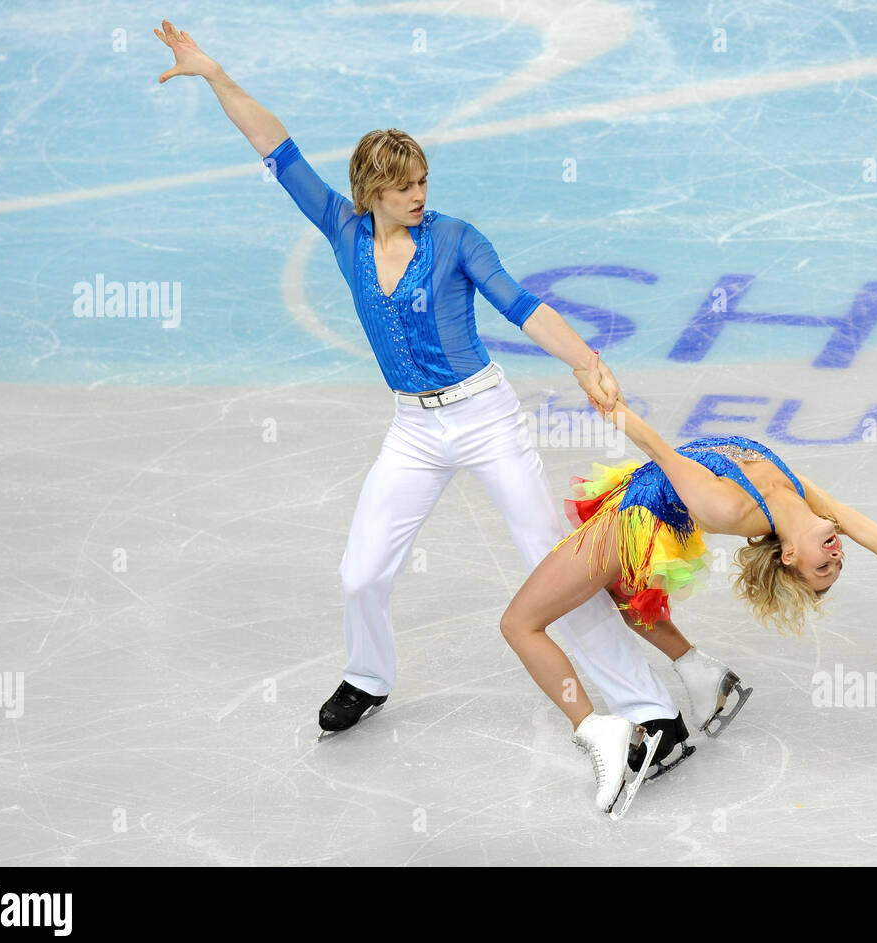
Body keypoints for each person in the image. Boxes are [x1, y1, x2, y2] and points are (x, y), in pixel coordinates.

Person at [152, 21, 732, 811]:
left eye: (423, 180)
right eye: (403, 188)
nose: (420, 196)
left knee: (550, 568)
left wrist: (584, 361)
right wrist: (214, 73)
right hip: (414, 429)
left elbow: (522, 307)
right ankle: (368, 677)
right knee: (361, 571)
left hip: (486, 418)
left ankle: (651, 713)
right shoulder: (342, 230)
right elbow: (276, 147)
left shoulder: (456, 238)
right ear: (370, 194)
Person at [500, 380, 877, 811]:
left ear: (789, 556)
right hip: (643, 507)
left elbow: (662, 451)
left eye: (823, 568)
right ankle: (700, 671)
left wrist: (612, 404)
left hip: (630, 521)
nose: (836, 556)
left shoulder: (731, 507)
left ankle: (594, 729)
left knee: (520, 624)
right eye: (836, 561)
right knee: (625, 599)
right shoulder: (806, 497)